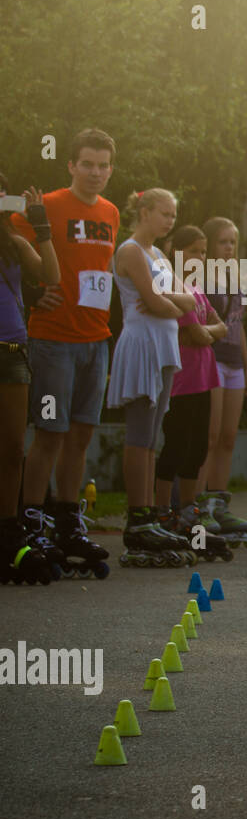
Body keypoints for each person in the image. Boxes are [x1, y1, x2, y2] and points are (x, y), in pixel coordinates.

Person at [12, 129, 118, 573]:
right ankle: (30, 523)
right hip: (53, 339)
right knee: (50, 434)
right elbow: (8, 251)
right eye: (87, 164)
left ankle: (69, 522)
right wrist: (34, 295)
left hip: (95, 339)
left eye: (103, 165)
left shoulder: (111, 213)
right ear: (71, 166)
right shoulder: (48, 206)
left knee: (80, 436)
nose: (95, 173)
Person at [108, 189, 200, 567]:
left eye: (173, 216)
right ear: (144, 212)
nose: (169, 222)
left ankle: (147, 517)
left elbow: (190, 299)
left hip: (163, 346)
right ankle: (138, 517)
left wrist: (169, 300)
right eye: (164, 214)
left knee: (152, 437)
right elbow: (157, 300)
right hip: (142, 344)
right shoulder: (130, 250)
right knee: (140, 434)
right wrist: (169, 299)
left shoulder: (159, 255)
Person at [153, 225, 231, 560]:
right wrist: (209, 331)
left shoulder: (196, 290)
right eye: (194, 251)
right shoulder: (172, 286)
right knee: (176, 445)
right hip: (183, 379)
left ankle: (187, 510)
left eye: (203, 251)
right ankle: (160, 513)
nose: (200, 257)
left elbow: (219, 326)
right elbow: (199, 335)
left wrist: (208, 331)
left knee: (198, 447)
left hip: (205, 377)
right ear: (176, 251)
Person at [1, 179, 61, 584]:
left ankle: (8, 535)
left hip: (11, 353)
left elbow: (51, 276)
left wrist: (41, 229)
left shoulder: (12, 241)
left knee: (10, 449)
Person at [195, 215, 247, 548]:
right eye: (223, 241)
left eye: (233, 242)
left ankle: (219, 503)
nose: (230, 248)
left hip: (234, 362)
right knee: (211, 434)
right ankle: (199, 505)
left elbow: (240, 324)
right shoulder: (200, 277)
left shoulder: (238, 278)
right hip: (211, 360)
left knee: (229, 437)